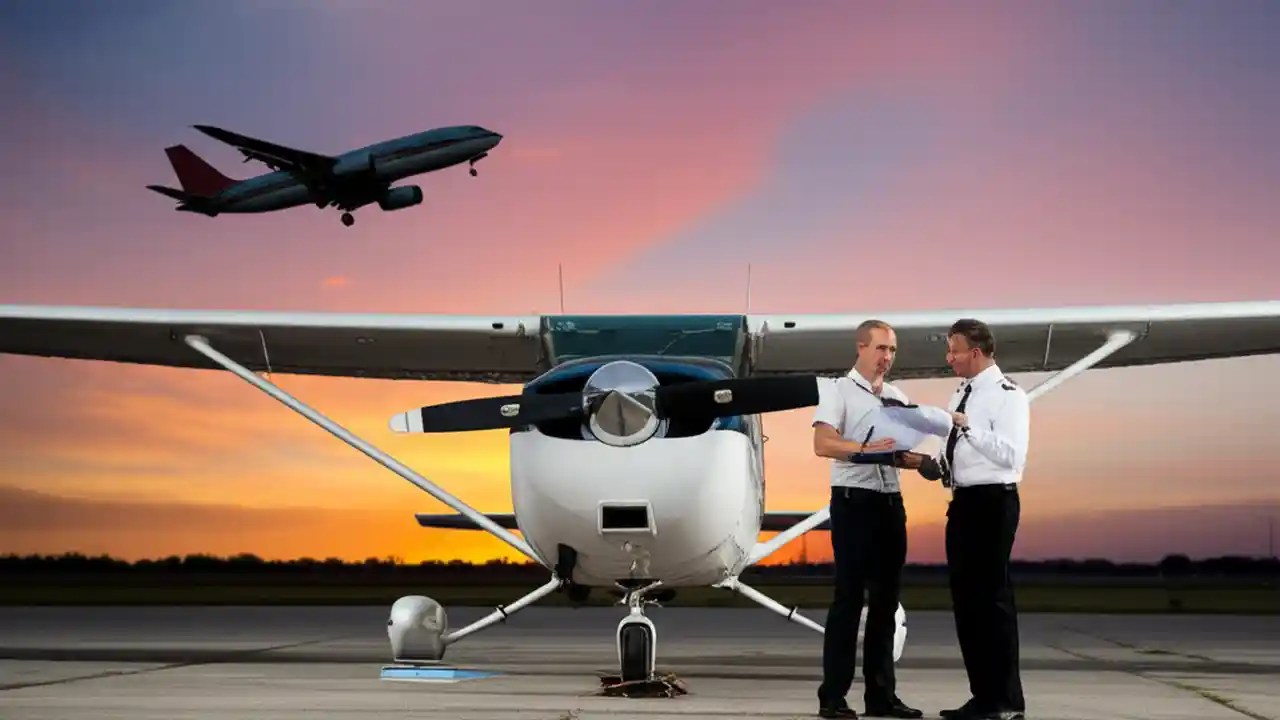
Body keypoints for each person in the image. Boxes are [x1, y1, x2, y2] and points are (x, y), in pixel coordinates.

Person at [811, 319, 925, 720]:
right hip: (853, 501)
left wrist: (917, 460)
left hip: (890, 503)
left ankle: (882, 698)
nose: (887, 358)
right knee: (848, 600)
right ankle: (833, 698)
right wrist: (866, 449)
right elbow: (822, 443)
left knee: (886, 602)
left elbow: (899, 449)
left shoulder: (897, 396)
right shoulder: (838, 392)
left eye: (892, 351)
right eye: (881, 349)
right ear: (860, 348)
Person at [935, 318, 1030, 720]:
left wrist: (967, 427)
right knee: (966, 602)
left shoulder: (1008, 394)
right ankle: (983, 697)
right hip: (963, 502)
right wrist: (926, 462)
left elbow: (1011, 456)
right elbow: (955, 454)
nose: (948, 358)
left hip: (993, 503)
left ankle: (1006, 701)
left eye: (953, 350)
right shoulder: (962, 391)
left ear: (975, 352)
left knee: (992, 600)